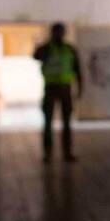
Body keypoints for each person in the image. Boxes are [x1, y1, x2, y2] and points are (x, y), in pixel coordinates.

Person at [32, 22, 82, 162]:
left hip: (66, 89)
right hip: (50, 88)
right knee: (47, 122)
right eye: (56, 32)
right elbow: (35, 56)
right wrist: (40, 47)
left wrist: (80, 87)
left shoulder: (69, 49)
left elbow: (77, 70)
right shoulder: (46, 48)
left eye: (61, 32)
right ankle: (47, 153)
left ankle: (67, 153)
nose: (58, 34)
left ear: (64, 33)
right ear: (52, 33)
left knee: (67, 123)